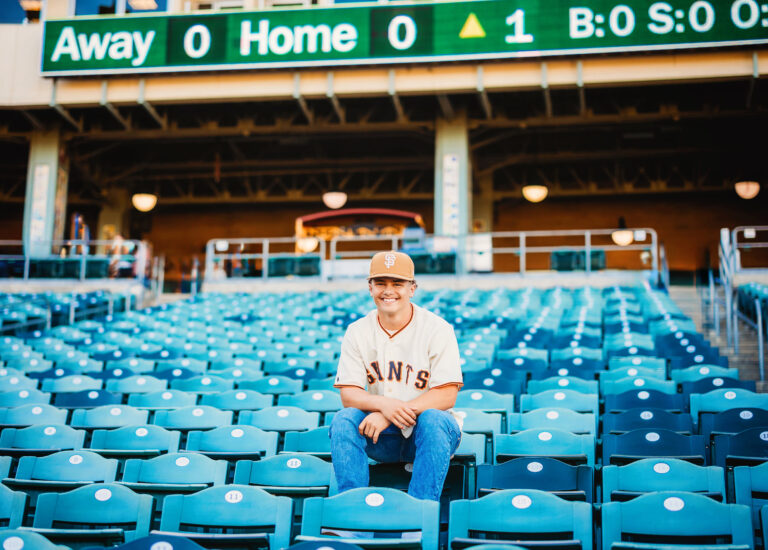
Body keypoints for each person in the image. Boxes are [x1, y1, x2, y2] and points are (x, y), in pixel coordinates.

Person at [330, 250, 463, 502]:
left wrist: (388, 415)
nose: (388, 290)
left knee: (434, 418)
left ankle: (418, 517)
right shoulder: (357, 331)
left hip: (428, 435)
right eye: (380, 283)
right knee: (344, 419)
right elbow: (348, 395)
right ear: (370, 288)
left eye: (397, 283)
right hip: (381, 437)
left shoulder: (438, 329)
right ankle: (349, 512)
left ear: (412, 288)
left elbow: (447, 395)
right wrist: (384, 407)